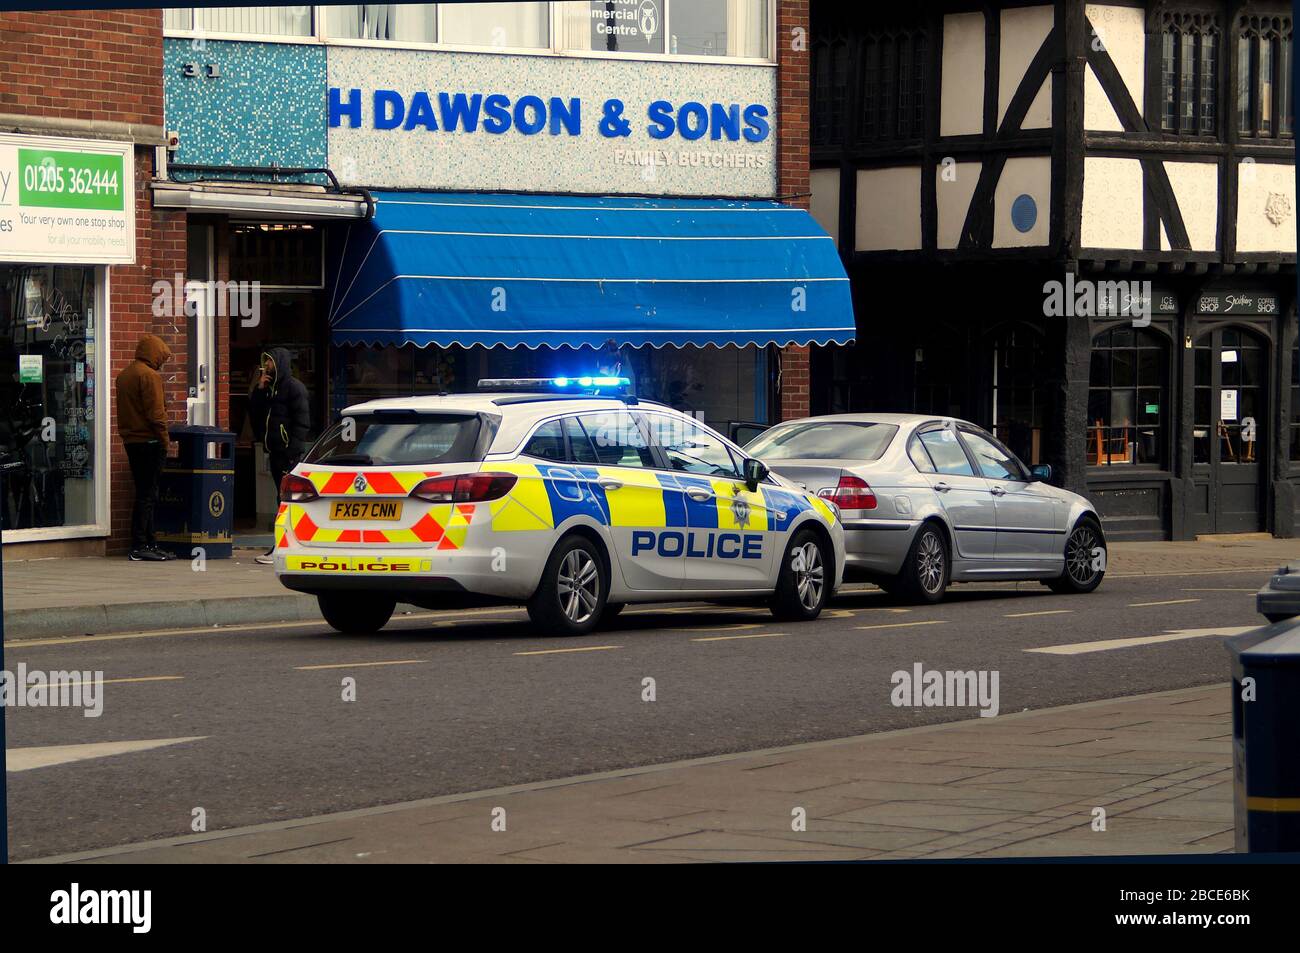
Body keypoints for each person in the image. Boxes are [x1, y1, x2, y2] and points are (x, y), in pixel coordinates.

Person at [248, 348, 310, 564]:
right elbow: (256, 415)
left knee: (285, 502)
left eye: (270, 363)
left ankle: (282, 546)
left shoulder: (294, 388)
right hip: (274, 451)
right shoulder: (269, 390)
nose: (266, 367)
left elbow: (302, 423)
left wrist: (292, 452)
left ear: (280, 364)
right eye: (265, 362)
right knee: (281, 500)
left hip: (288, 455)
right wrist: (259, 390)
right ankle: (282, 545)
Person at [115, 334, 174, 561]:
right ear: (155, 353)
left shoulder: (124, 375)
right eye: (162, 358)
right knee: (148, 495)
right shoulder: (149, 376)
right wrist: (165, 440)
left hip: (131, 442)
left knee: (143, 492)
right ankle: (141, 544)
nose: (162, 362)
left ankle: (148, 542)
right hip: (150, 442)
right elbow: (156, 414)